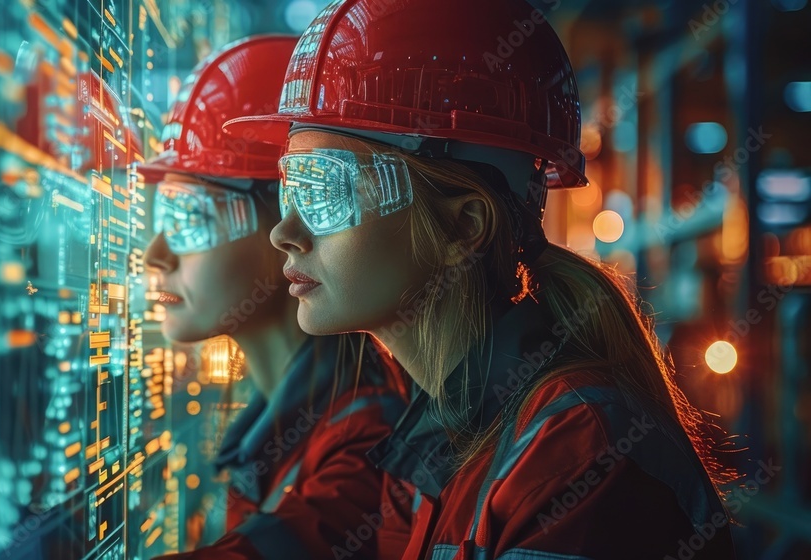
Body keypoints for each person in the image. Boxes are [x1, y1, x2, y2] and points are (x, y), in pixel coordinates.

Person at [223, 1, 737, 558]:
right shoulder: (438, 441)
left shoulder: (576, 455)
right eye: (291, 188)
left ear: (464, 226)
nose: (284, 232)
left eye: (325, 191)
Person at [142, 35, 411, 560]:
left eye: (188, 218)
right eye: (160, 220)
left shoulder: (366, 441)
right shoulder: (306, 425)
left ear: (286, 218)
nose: (156, 255)